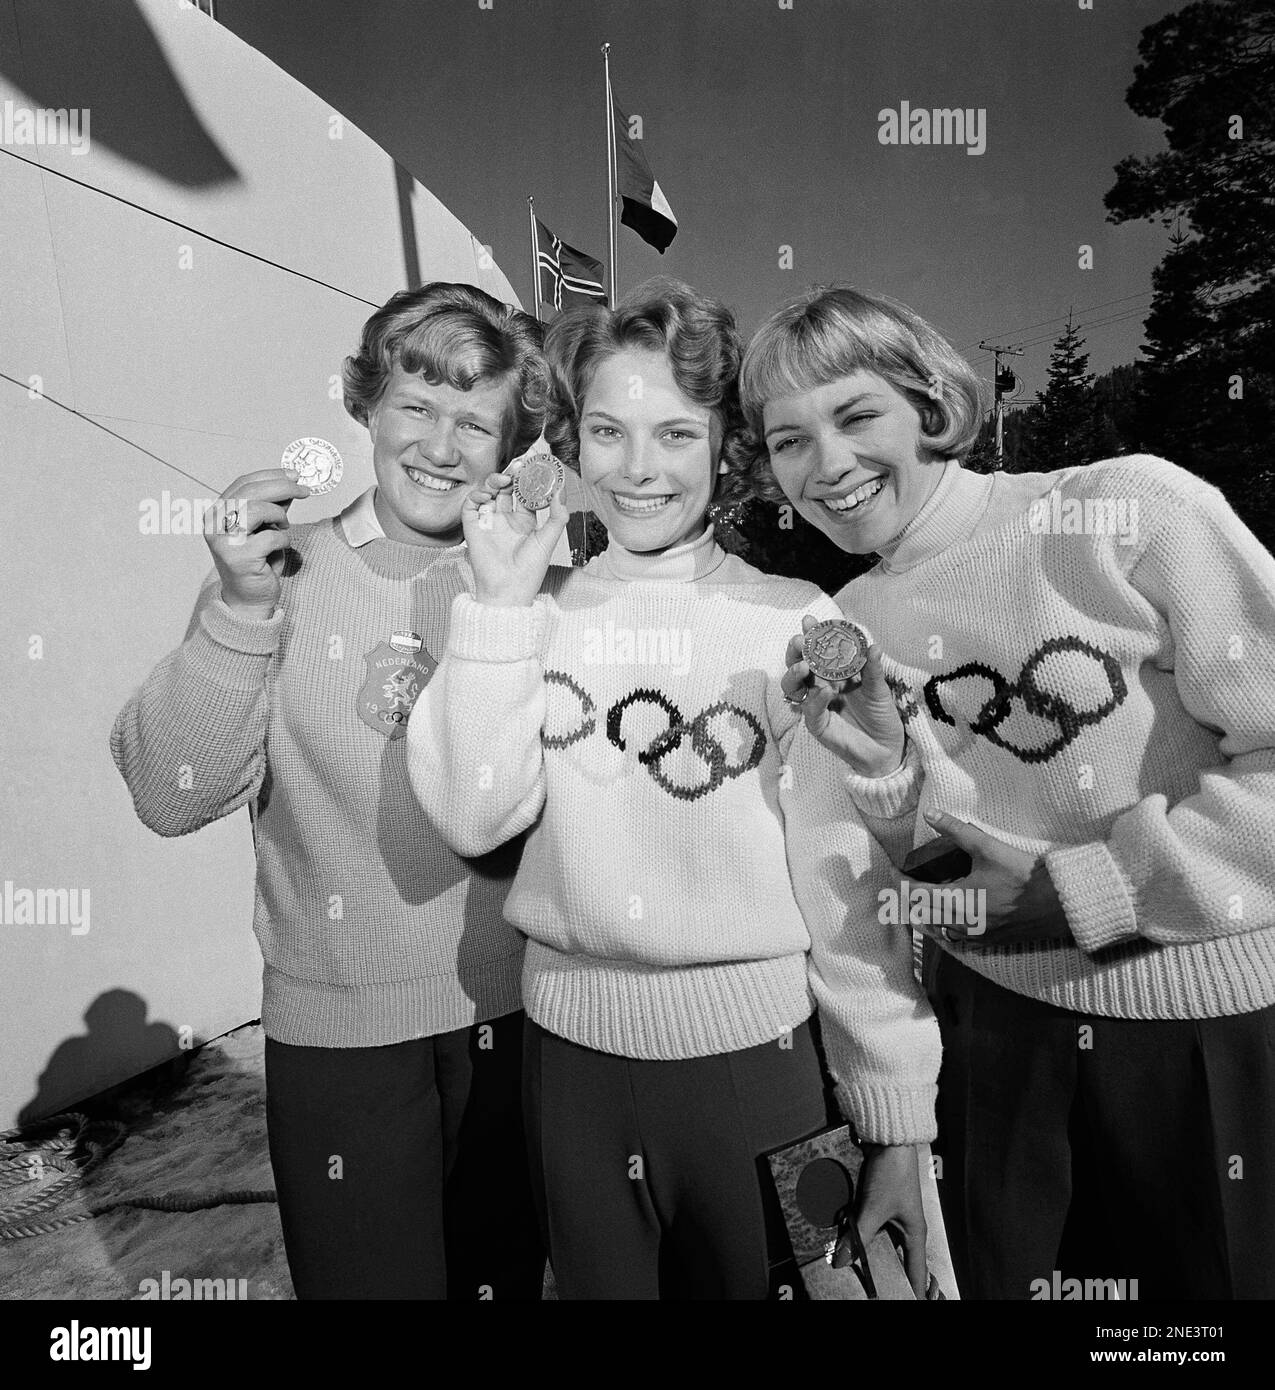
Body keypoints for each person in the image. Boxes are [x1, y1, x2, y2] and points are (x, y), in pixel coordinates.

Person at [406, 278, 945, 1300]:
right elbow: (475, 813)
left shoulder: (794, 620)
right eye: (607, 430)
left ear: (724, 450)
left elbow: (852, 897)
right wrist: (498, 608)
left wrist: (896, 1117)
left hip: (767, 1074)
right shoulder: (525, 611)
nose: (639, 467)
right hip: (570, 1077)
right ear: (568, 443)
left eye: (675, 434)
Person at [740, 283, 1275, 1300]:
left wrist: (1094, 890)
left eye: (856, 416)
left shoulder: (1130, 511)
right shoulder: (837, 625)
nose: (828, 466)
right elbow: (878, 882)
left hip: (1208, 1042)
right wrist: (889, 771)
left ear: (931, 402)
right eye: (788, 440)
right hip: (998, 1050)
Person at [110, 282, 549, 1300]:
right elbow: (171, 796)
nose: (443, 444)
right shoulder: (277, 574)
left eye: (476, 419)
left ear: (510, 443)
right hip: (340, 1046)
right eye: (416, 404)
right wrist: (238, 609)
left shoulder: (529, 586)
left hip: (513, 1022)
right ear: (364, 405)